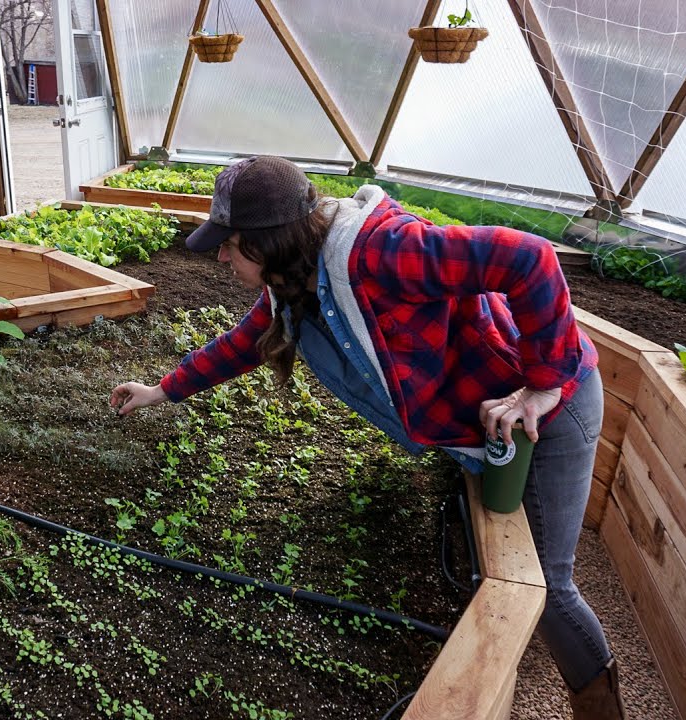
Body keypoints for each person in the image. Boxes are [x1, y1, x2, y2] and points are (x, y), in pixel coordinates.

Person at [109, 155, 626, 719]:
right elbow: (244, 343)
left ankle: (600, 708)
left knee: (545, 586)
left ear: (269, 238)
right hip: (490, 420)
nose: (222, 253)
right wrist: (162, 391)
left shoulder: (384, 252)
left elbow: (528, 256)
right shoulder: (297, 278)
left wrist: (543, 382)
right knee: (509, 556)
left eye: (230, 242)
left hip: (550, 412)